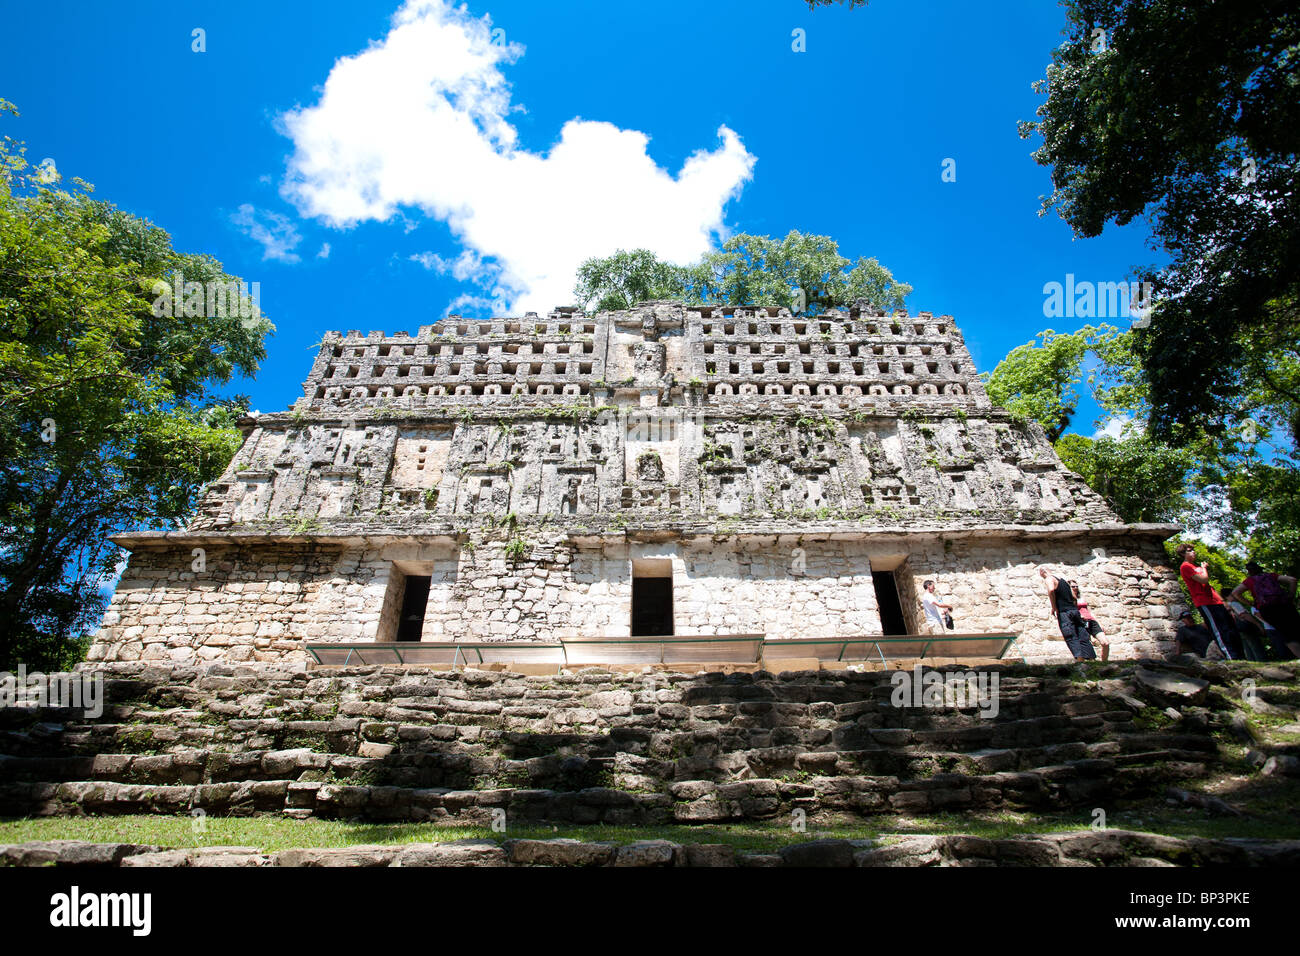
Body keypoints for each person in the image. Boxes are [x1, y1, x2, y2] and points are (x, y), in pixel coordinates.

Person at [1176, 543, 1243, 660]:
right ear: (1183, 554)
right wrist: (1204, 568)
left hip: (1216, 602)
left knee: (1230, 628)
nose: (1193, 552)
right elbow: (1204, 580)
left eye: (1193, 550)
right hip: (1205, 602)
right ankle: (1231, 657)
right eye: (1189, 550)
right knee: (1220, 630)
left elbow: (1210, 587)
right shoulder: (1185, 567)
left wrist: (1223, 602)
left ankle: (1240, 656)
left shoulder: (1194, 567)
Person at [1230, 562, 1300, 659]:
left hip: (1267, 609)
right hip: (1285, 606)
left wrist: (1251, 603)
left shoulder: (1250, 581)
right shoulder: (1271, 576)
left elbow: (1235, 593)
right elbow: (1293, 580)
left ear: (1249, 572)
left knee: (1287, 636)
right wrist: (1291, 596)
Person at [1039, 566, 1095, 660]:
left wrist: (1054, 607)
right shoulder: (1062, 580)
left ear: (1042, 573)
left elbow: (1051, 590)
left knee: (1070, 635)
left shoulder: (1049, 578)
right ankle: (1091, 659)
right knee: (1082, 634)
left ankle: (1080, 661)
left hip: (1064, 612)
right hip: (1074, 610)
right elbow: (1073, 596)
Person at [1070, 582, 1111, 661]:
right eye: (1073, 586)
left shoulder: (1081, 598)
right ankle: (1083, 665)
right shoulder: (1068, 599)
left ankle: (1104, 663)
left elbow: (1089, 611)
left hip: (1091, 621)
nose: (1075, 588)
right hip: (1080, 622)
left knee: (1105, 642)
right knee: (1083, 645)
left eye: (1076, 586)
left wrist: (1098, 622)